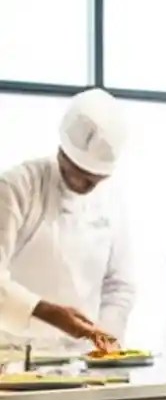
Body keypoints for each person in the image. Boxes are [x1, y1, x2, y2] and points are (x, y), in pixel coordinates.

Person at [0, 88, 132, 353]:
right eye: (78, 173)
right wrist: (47, 312)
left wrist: (106, 340)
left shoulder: (111, 200)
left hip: (81, 358)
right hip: (12, 354)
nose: (85, 184)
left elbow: (120, 285)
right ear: (62, 151)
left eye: (95, 179)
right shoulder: (17, 187)